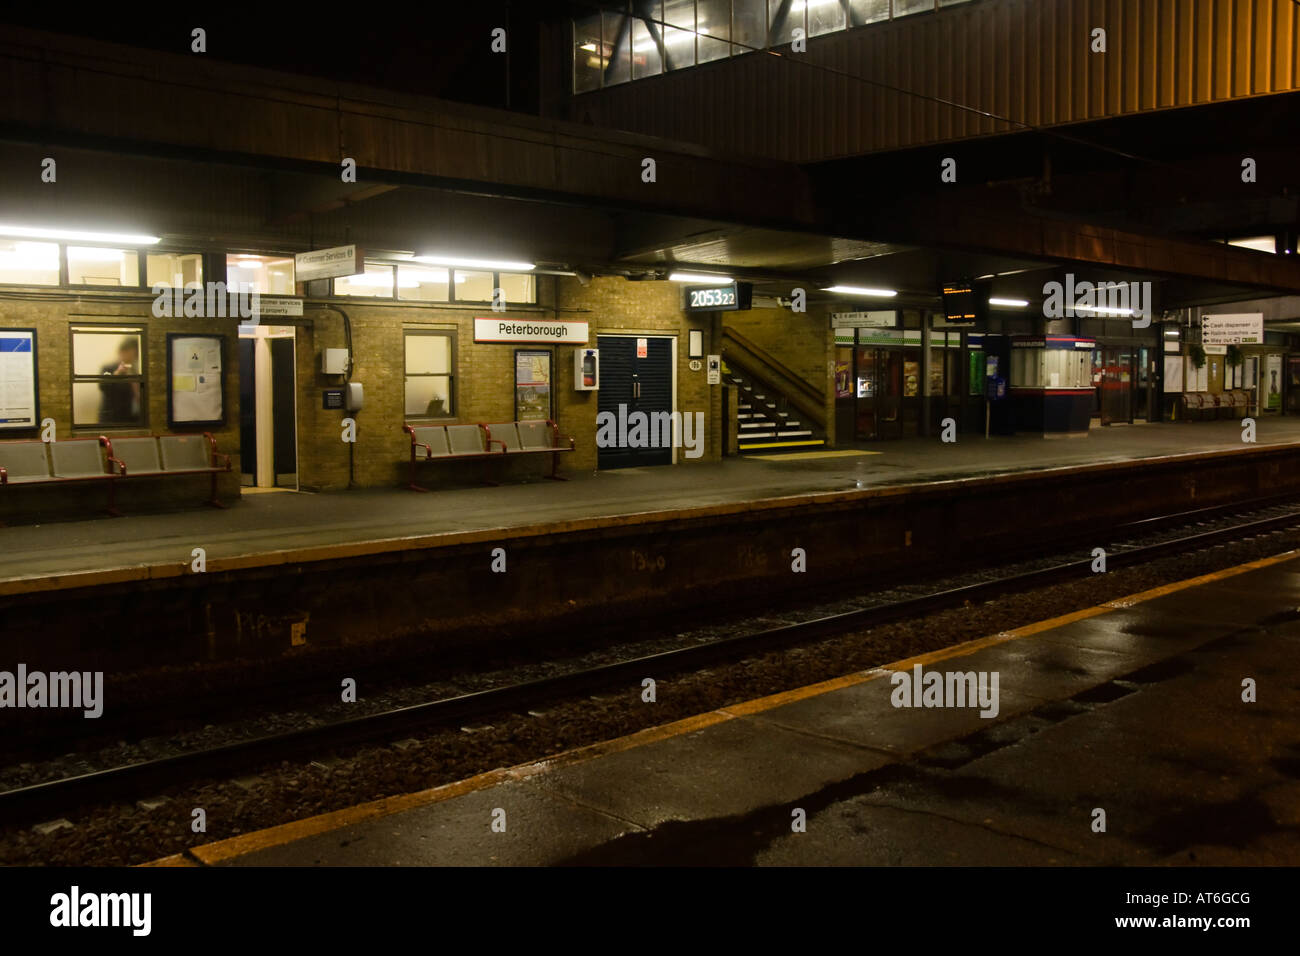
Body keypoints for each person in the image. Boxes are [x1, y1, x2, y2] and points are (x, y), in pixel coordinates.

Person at [99, 337, 141, 424]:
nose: (133, 357)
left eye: (135, 354)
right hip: (113, 419)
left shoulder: (135, 370)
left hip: (134, 418)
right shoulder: (109, 368)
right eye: (131, 353)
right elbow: (103, 386)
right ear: (122, 351)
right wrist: (117, 373)